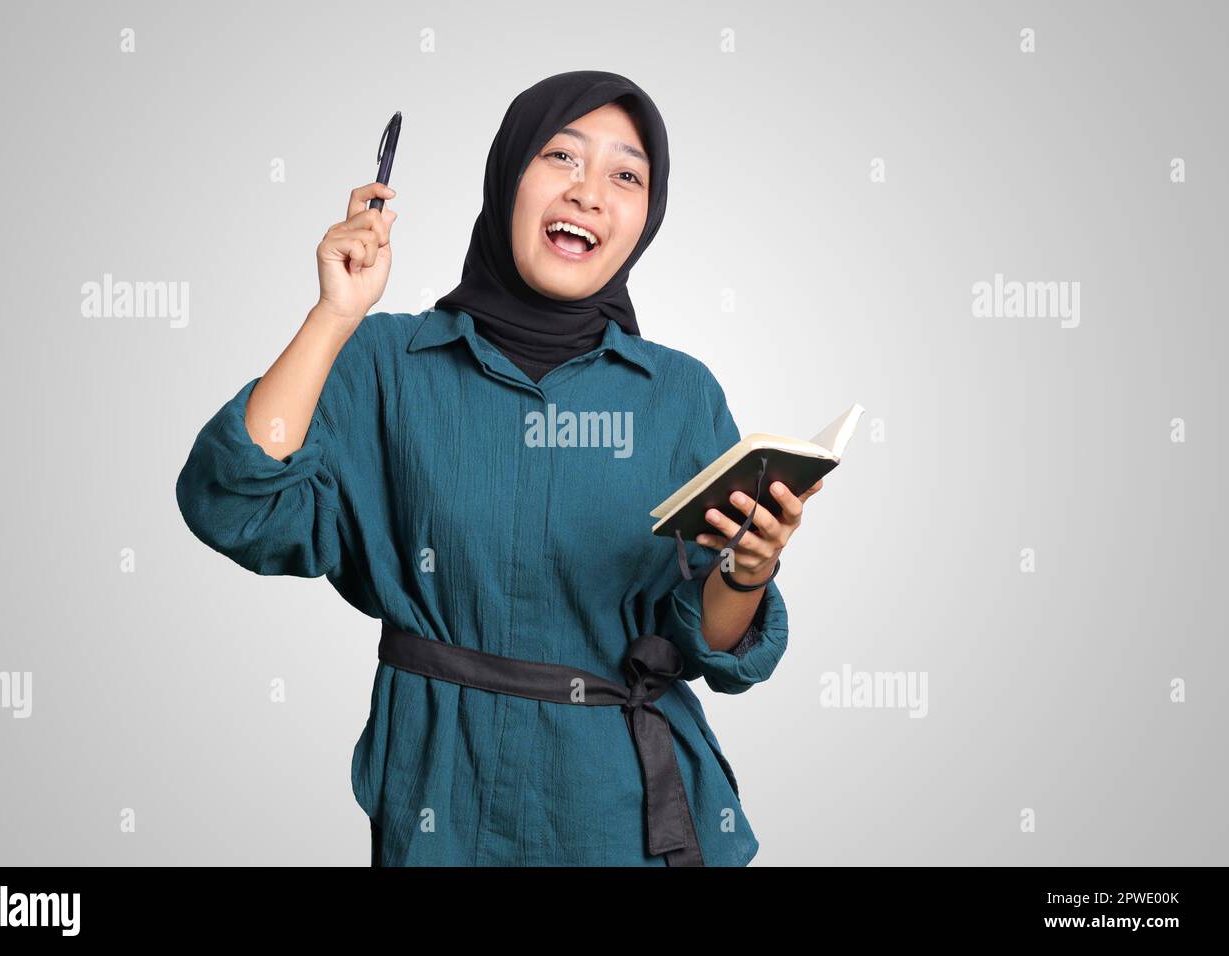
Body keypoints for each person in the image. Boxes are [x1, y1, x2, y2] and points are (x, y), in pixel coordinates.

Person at [175, 70, 822, 866]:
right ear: (507, 176)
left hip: (626, 820)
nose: (590, 193)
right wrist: (334, 316)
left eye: (626, 175)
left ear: (646, 217)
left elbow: (708, 644)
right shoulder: (387, 363)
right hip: (446, 806)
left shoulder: (680, 395)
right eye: (561, 156)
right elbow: (234, 503)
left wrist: (749, 572)